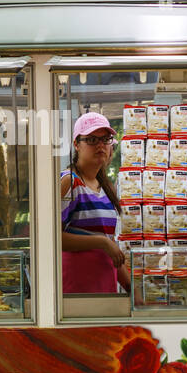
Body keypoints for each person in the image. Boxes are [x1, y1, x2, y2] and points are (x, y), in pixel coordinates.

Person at [61, 111, 129, 293]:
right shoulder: (70, 182)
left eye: (105, 139)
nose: (100, 145)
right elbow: (51, 238)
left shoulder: (106, 188)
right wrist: (101, 242)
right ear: (76, 144)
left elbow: (111, 247)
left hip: (104, 286)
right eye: (91, 140)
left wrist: (134, 293)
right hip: (75, 292)